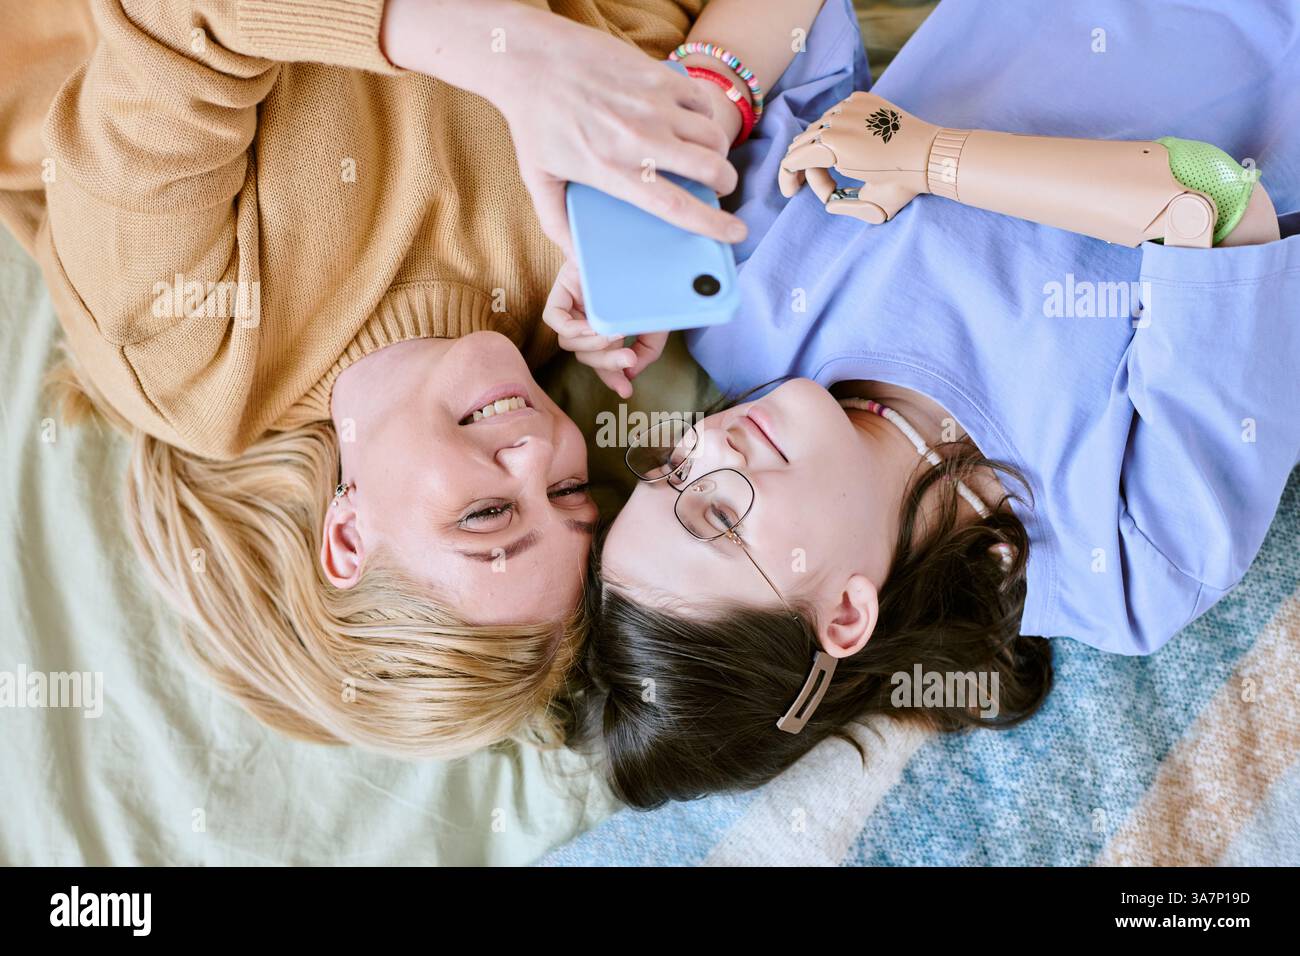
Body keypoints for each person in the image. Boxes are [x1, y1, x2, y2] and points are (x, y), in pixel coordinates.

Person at [543, 0, 1300, 806]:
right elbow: (1216, 204)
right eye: (722, 517)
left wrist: (654, 186)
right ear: (842, 614)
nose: (711, 445)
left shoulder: (749, 318)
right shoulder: (1129, 563)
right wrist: (934, 160)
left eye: (671, 468)